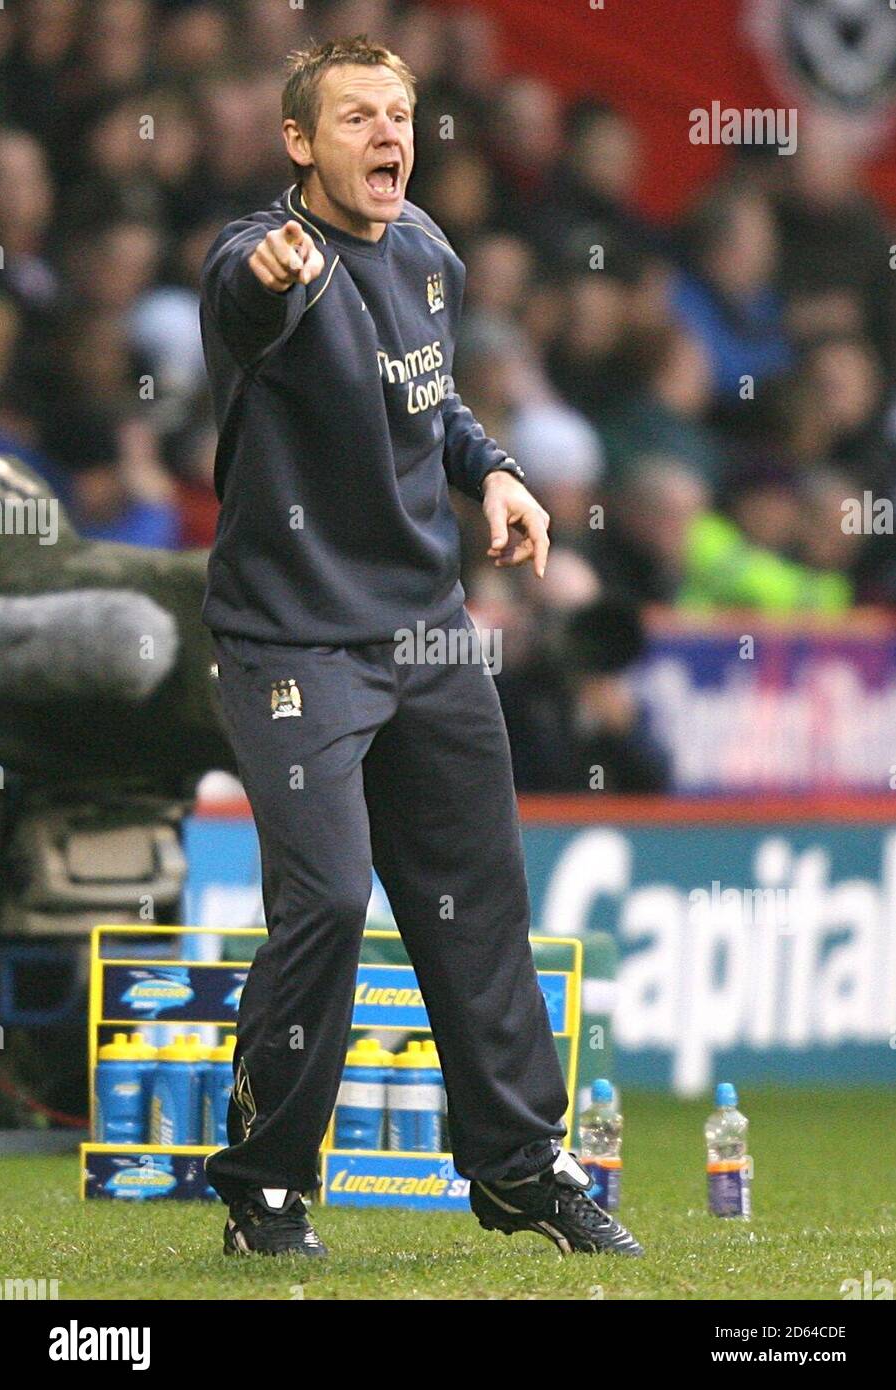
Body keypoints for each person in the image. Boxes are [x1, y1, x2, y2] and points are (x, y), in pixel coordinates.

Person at [199, 35, 643, 1260]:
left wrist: (492, 469)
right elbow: (247, 300)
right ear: (301, 142)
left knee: (481, 903)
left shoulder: (432, 254)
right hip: (292, 637)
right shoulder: (261, 256)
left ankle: (517, 1165)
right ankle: (267, 1186)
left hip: (428, 632)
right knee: (331, 897)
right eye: (356, 118)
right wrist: (274, 272)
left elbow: (431, 398)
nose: (390, 136)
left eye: (400, 114)